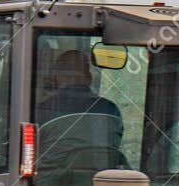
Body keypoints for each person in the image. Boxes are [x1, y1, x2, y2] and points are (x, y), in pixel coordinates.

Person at [35, 47, 125, 179]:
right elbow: (114, 146)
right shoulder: (111, 110)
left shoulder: (41, 111)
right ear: (89, 78)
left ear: (56, 77)